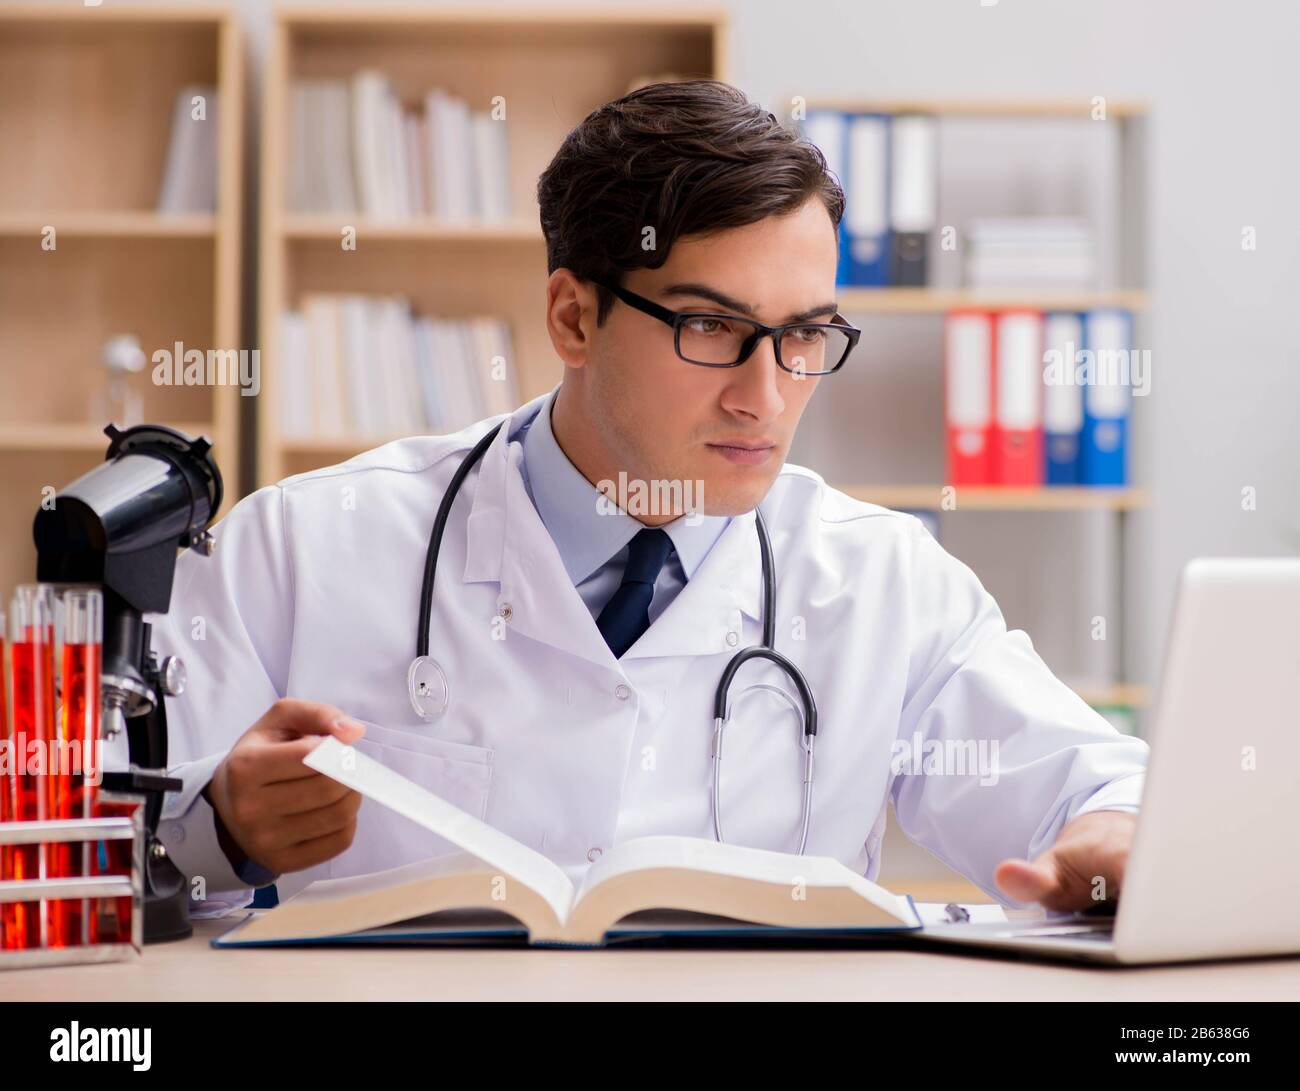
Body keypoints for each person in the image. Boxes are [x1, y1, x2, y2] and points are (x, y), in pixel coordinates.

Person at [143, 80, 1147, 916]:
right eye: (712, 328)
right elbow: (103, 853)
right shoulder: (301, 546)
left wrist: (1111, 831)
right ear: (573, 317)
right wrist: (225, 825)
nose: (766, 392)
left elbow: (1094, 787)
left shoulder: (882, 580)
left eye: (806, 335)